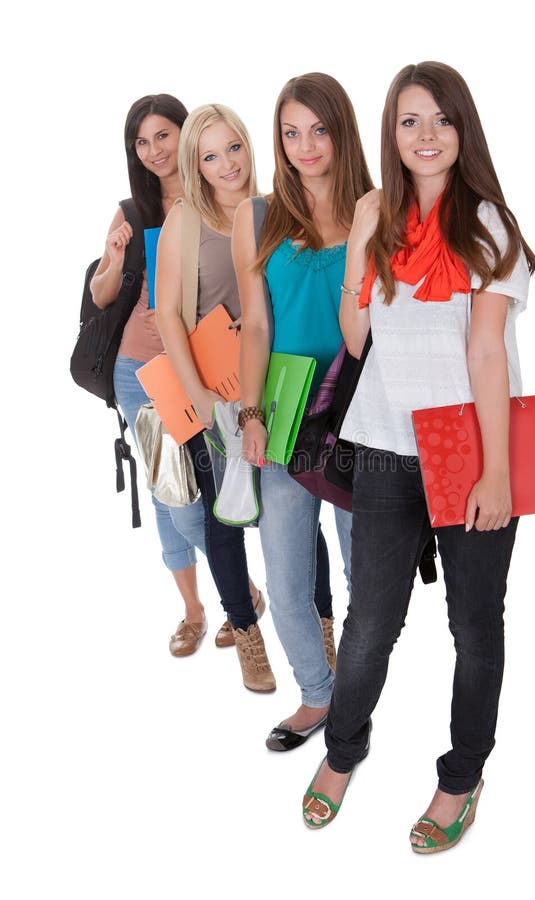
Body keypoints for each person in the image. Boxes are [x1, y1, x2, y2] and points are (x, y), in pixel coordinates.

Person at [302, 61, 535, 853]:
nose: (425, 136)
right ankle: (342, 751)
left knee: (474, 626)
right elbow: (359, 337)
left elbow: (486, 355)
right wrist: (363, 240)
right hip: (384, 443)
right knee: (370, 623)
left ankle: (462, 776)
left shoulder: (491, 227)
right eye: (409, 121)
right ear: (391, 135)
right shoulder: (382, 220)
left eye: (440, 119)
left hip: (469, 442)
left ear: (462, 128)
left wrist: (497, 471)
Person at [90, 94, 265, 659]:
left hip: (202, 365)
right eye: (142, 142)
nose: (154, 150)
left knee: (196, 498)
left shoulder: (215, 195)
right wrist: (114, 260)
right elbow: (100, 296)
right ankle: (195, 608)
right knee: (165, 493)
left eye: (164, 135)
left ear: (188, 136)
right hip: (137, 369)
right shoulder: (133, 211)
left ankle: (242, 593)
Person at [232, 74, 374, 747]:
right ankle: (316, 696)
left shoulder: (378, 211)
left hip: (358, 414)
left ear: (341, 132)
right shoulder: (255, 216)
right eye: (291, 132)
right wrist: (251, 413)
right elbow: (255, 326)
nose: (305, 145)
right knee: (287, 582)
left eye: (318, 129)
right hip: (285, 415)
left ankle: (354, 701)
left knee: (366, 582)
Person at [155, 103, 279, 690]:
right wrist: (199, 393)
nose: (227, 163)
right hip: (214, 390)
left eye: (234, 147)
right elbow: (168, 315)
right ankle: (247, 636)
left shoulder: (278, 207)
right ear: (195, 165)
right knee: (222, 517)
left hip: (273, 384)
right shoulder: (186, 218)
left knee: (287, 508)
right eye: (210, 155)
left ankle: (321, 628)